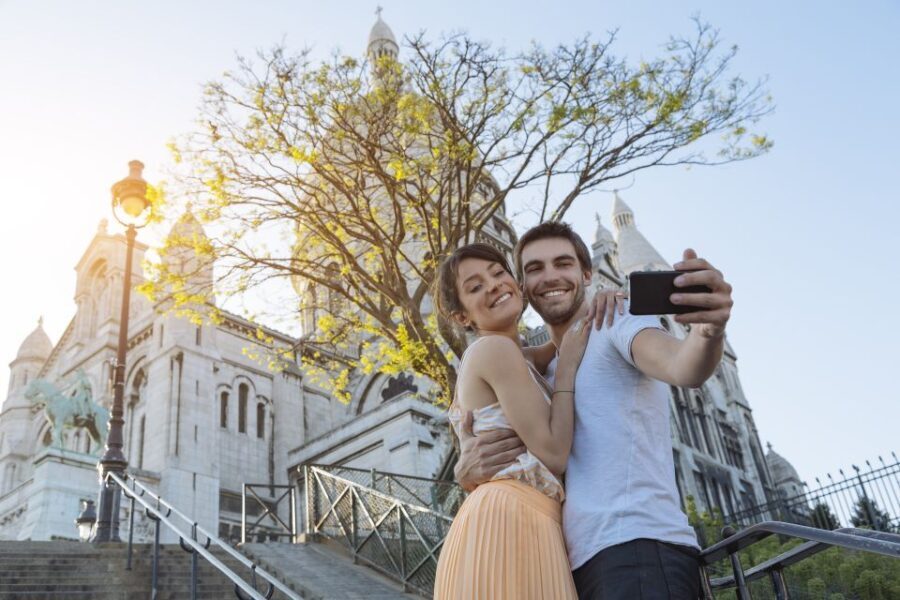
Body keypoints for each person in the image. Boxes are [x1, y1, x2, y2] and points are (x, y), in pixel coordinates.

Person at [454, 222, 734, 599]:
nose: (551, 276)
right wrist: (466, 470)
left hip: (639, 546)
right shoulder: (539, 369)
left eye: (563, 263)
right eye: (535, 268)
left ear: (587, 274)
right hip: (572, 561)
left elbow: (683, 366)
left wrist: (707, 331)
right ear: (524, 286)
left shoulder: (617, 321)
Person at [432, 242, 621, 599]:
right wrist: (565, 372)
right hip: (511, 518)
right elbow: (552, 453)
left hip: (525, 518)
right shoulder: (495, 350)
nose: (494, 285)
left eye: (499, 272)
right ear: (462, 317)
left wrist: (601, 294)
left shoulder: (516, 356)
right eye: (475, 287)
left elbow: (567, 335)